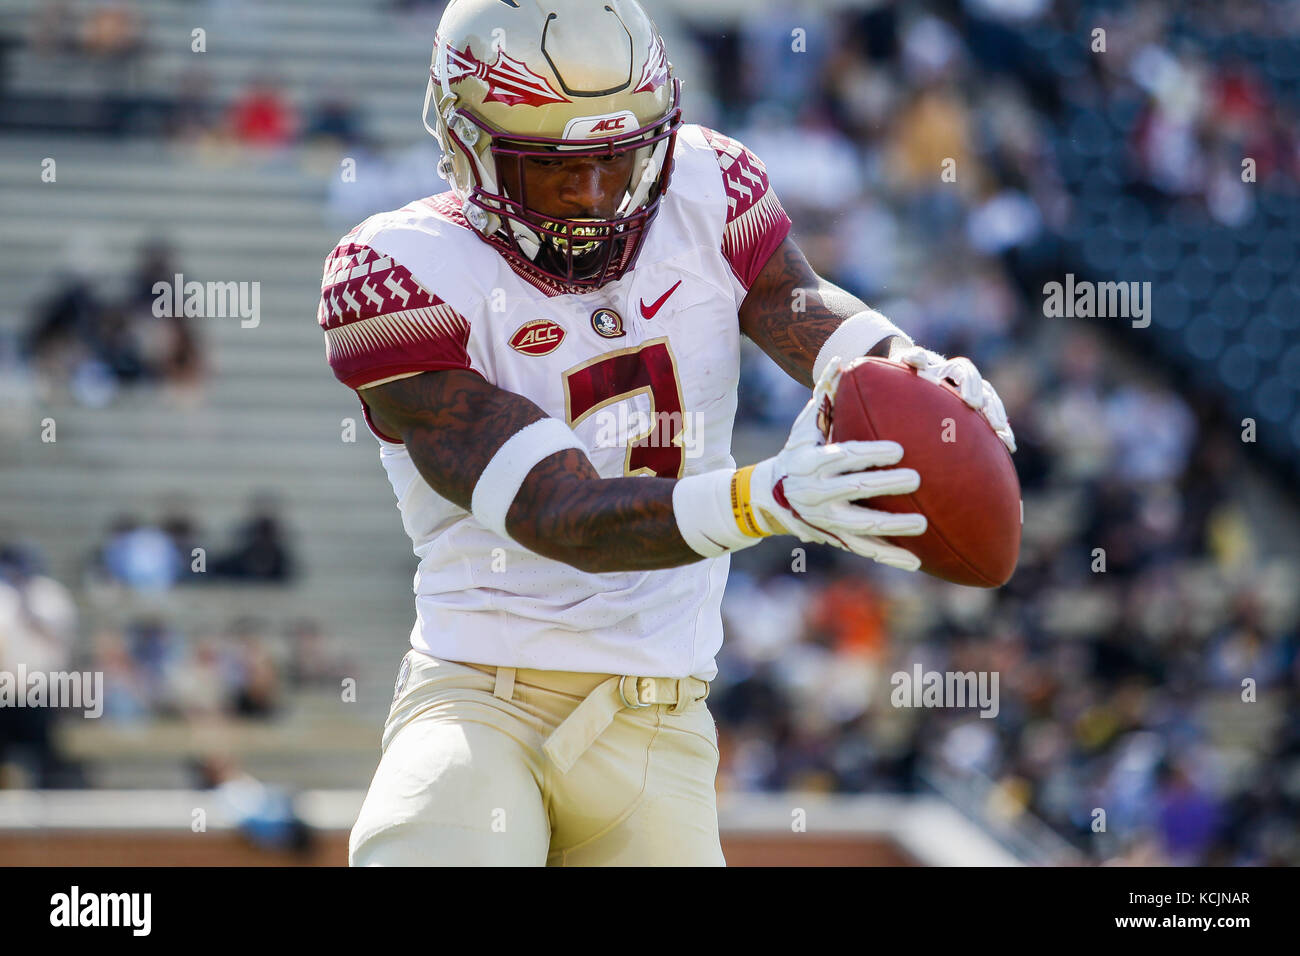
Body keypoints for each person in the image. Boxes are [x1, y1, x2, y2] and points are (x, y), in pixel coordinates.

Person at [319, 0, 1014, 867]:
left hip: (664, 715)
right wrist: (767, 500)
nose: (595, 192)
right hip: (481, 697)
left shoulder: (705, 187)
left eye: (619, 156)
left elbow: (793, 303)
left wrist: (893, 362)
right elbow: (560, 511)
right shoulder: (398, 272)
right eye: (554, 166)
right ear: (468, 145)